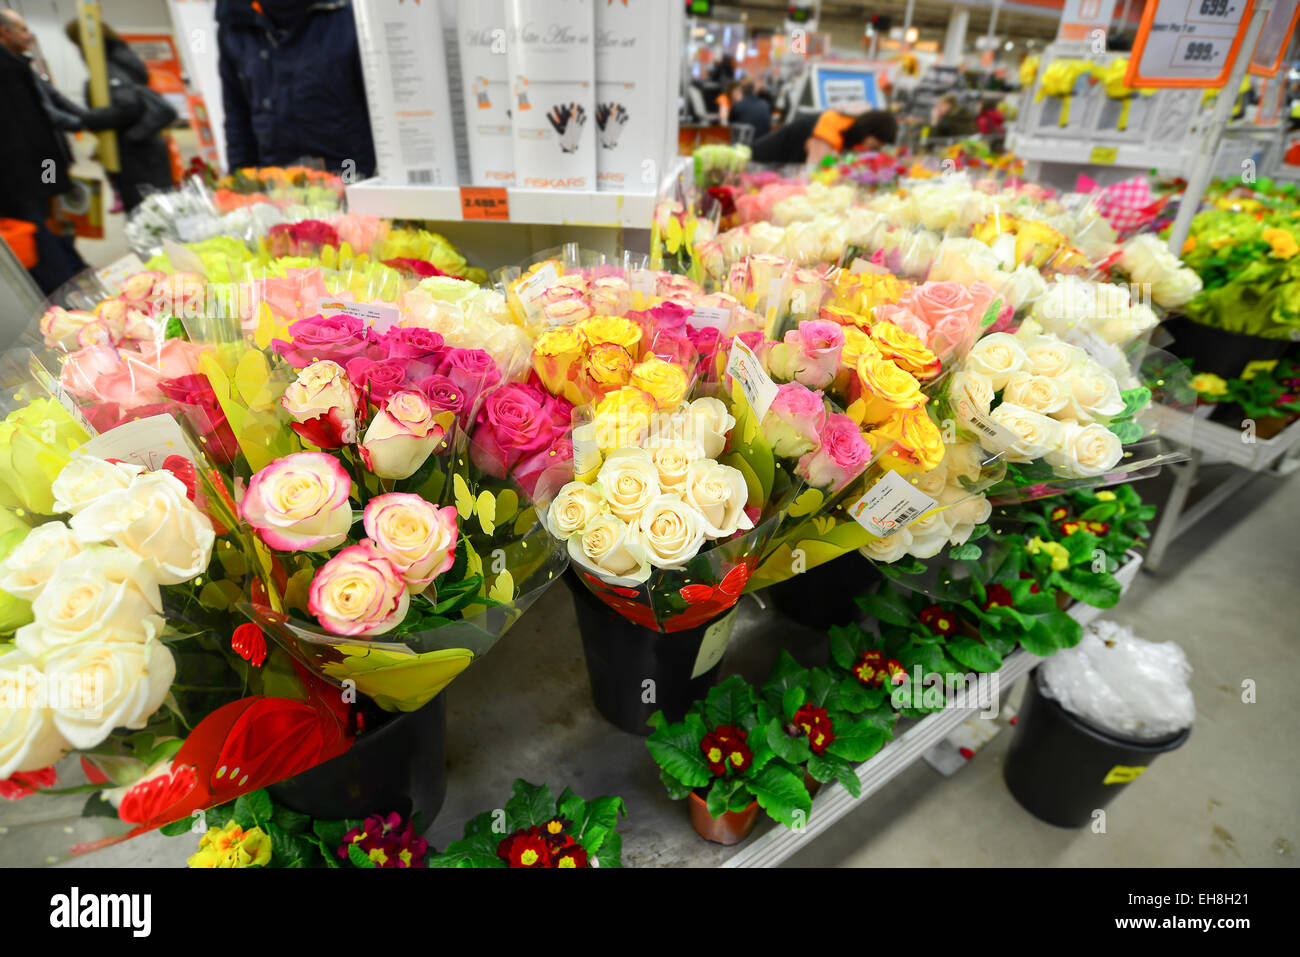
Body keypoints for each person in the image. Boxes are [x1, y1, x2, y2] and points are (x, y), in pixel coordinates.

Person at [216, 0, 376, 179]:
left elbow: (380, 108)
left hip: (351, 174)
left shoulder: (350, 14)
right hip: (276, 184)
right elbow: (238, 117)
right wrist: (241, 185)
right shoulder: (234, 20)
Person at [0, 8, 88, 294]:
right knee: (40, 233)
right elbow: (36, 121)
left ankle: (73, 270)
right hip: (23, 176)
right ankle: (64, 286)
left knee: (56, 220)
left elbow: (44, 113)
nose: (28, 36)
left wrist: (55, 175)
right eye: (22, 30)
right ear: (5, 31)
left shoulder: (20, 65)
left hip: (45, 165)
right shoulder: (10, 69)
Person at [64, 19, 178, 214]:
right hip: (144, 151)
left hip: (135, 156)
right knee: (160, 211)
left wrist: (89, 119)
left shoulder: (108, 67)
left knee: (148, 217)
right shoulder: (121, 60)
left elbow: (127, 107)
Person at [751, 108, 898, 165]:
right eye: (872, 147)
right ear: (866, 130)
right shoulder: (831, 126)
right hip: (753, 165)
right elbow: (813, 171)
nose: (869, 154)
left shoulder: (844, 128)